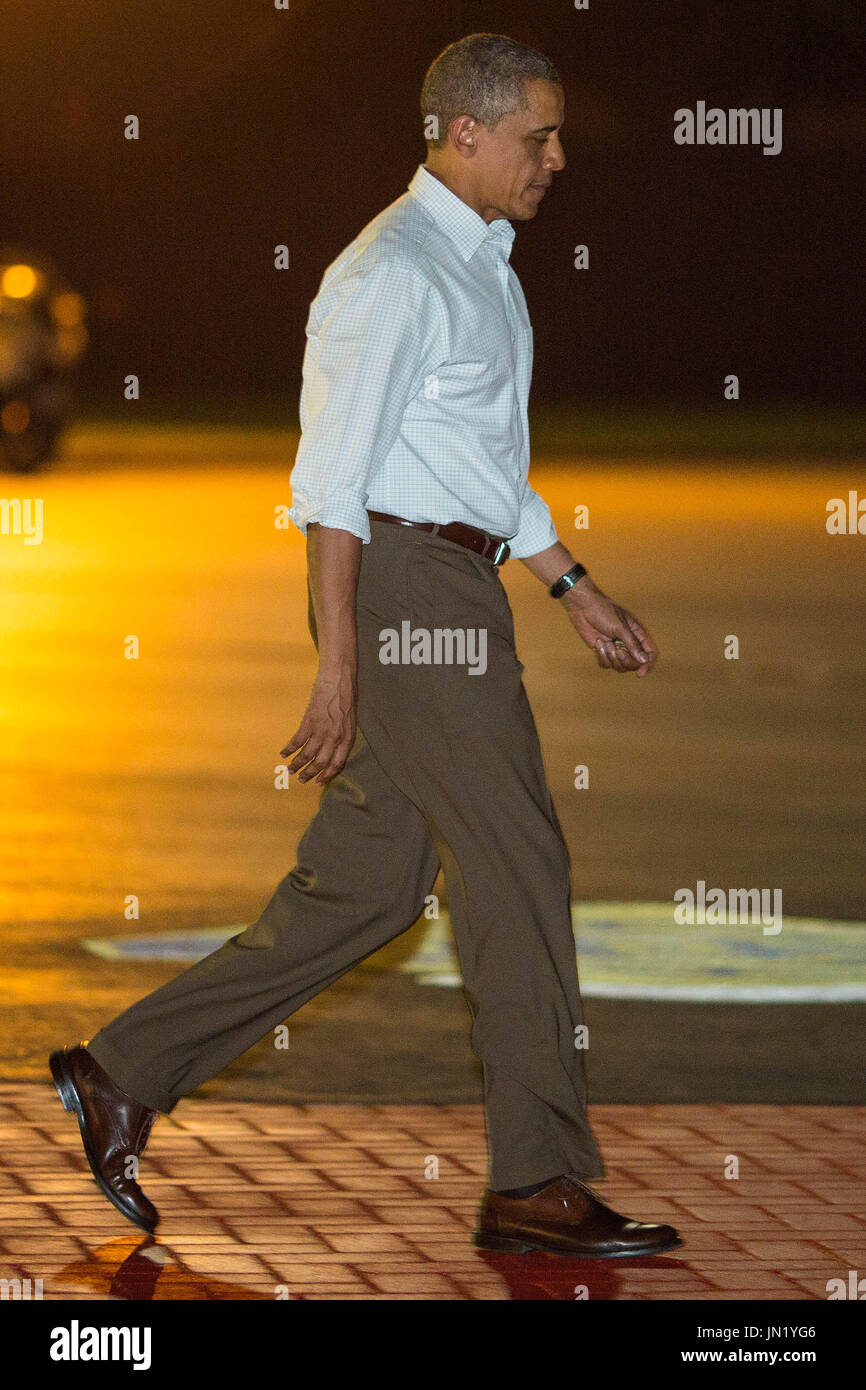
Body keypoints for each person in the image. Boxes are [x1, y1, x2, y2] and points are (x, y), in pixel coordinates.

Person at [51, 33, 682, 1260]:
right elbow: (332, 486)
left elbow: (476, 463)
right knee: (513, 857)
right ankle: (536, 1180)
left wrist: (570, 583)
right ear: (462, 134)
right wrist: (338, 666)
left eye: (556, 136)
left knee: (374, 880)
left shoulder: (482, 264)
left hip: (452, 571)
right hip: (404, 592)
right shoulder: (391, 270)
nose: (556, 159)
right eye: (537, 136)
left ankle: (124, 1070)